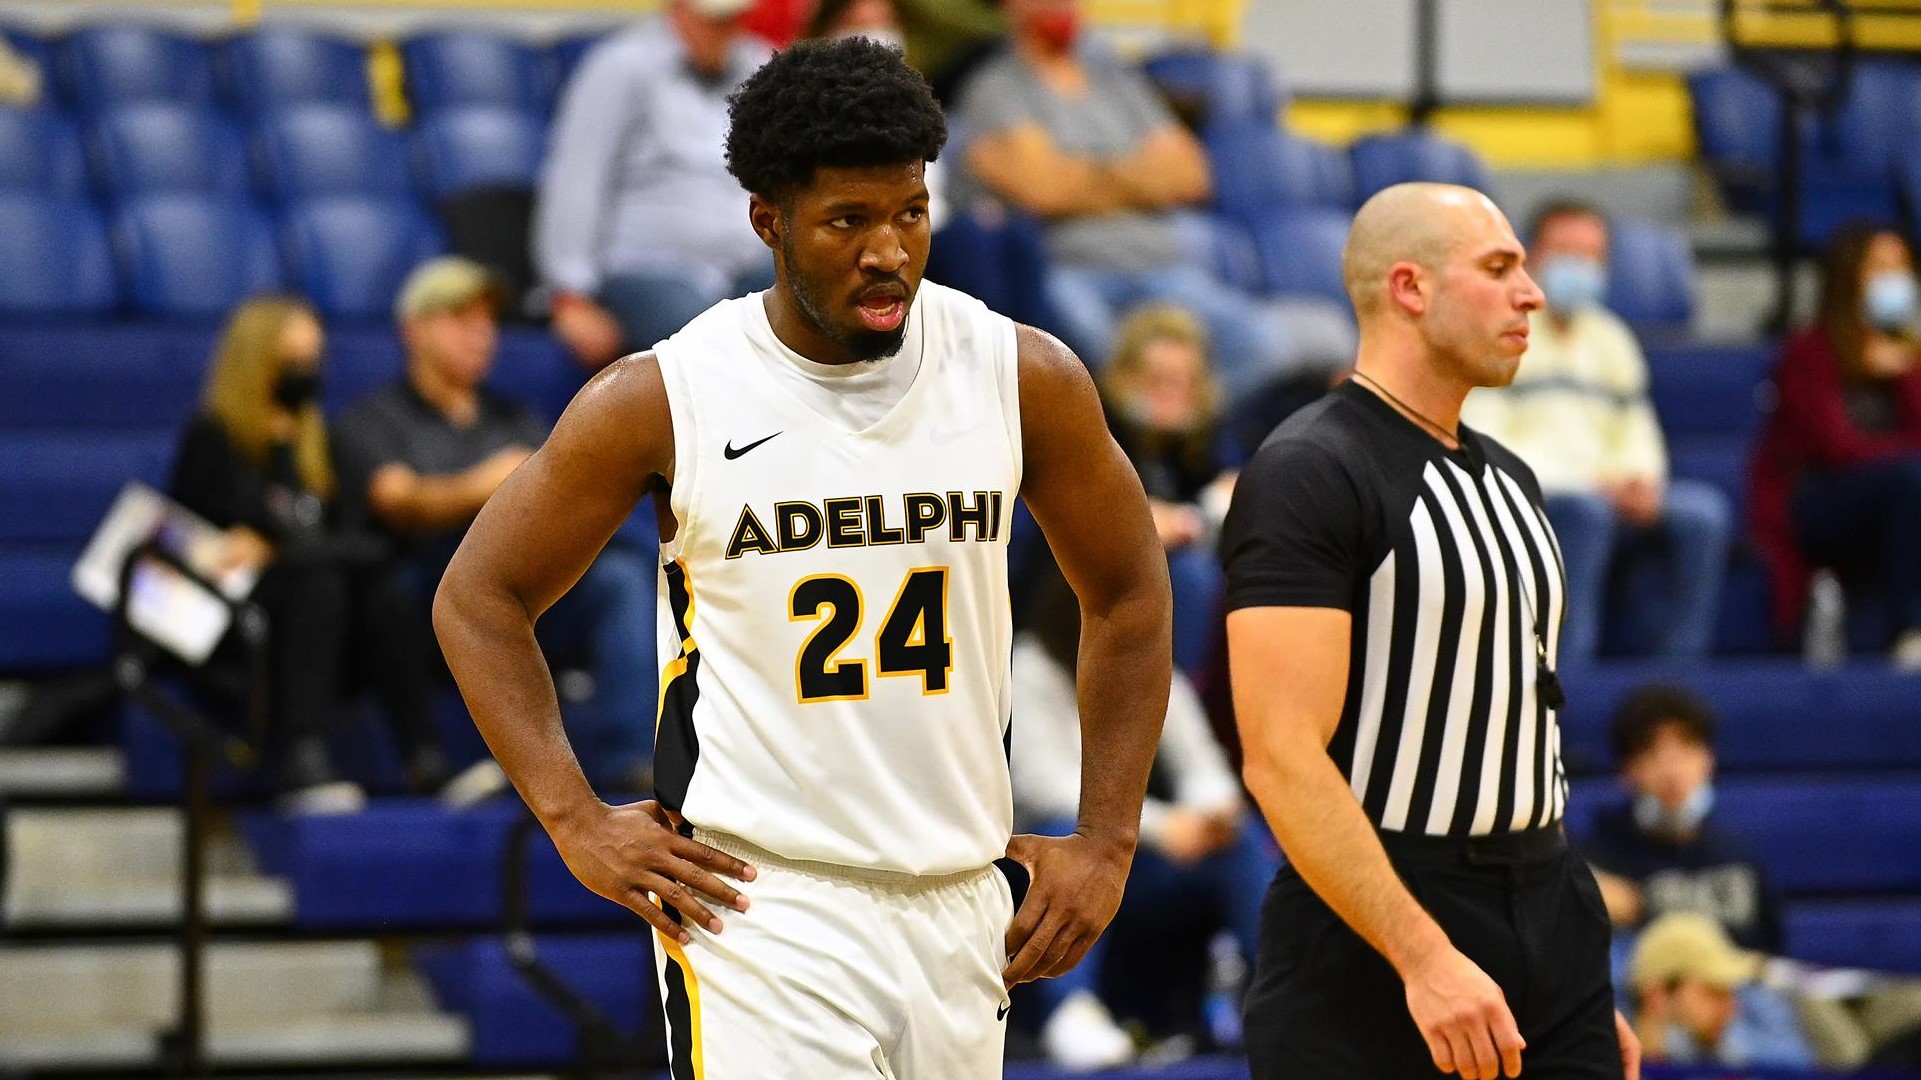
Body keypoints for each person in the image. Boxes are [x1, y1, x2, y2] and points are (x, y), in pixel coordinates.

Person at [433, 38, 1172, 1079]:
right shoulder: (664, 395)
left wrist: (1106, 840)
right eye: (847, 222)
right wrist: (573, 817)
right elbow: (478, 597)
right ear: (768, 222)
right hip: (762, 903)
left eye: (909, 213)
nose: (889, 252)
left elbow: (1131, 593)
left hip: (963, 897)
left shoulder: (1023, 374)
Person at [1222, 183, 1639, 1080]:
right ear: (1409, 288)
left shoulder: (1511, 480)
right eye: (1500, 268)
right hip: (1376, 926)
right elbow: (1281, 756)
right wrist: (1422, 955)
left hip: (1548, 902)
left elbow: (1520, 725)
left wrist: (1577, 978)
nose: (1531, 293)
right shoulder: (1309, 469)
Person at [331, 258, 656, 793]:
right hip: (426, 598)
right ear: (414, 330)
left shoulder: (513, 416)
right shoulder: (375, 417)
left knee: (620, 574)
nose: (481, 334)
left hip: (528, 591)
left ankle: (631, 759)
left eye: (486, 321)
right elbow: (396, 498)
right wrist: (488, 483)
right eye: (460, 319)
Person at [953, 0, 1341, 401]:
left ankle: (1176, 426)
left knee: (1261, 345)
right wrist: (1142, 178)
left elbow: (1192, 174)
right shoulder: (993, 89)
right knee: (1092, 365)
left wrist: (1079, 177)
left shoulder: (1118, 82)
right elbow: (1042, 189)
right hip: (1073, 270)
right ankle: (1139, 438)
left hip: (1165, 267)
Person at [170, 296, 449, 811]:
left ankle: (425, 755)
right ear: (258, 363)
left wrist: (278, 550)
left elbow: (367, 543)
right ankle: (302, 756)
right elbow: (191, 545)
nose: (305, 373)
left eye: (312, 360)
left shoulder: (321, 442)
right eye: (292, 361)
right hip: (235, 627)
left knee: (381, 591)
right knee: (319, 579)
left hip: (320, 621)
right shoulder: (213, 438)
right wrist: (283, 553)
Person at [1011, 556, 1274, 1069]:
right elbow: (1047, 789)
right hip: (1045, 860)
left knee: (1238, 841)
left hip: (1138, 867)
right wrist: (1160, 827)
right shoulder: (1032, 666)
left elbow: (1202, 765)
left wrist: (1210, 814)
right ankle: (1071, 1011)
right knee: (1065, 833)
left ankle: (1280, 986)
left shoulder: (1148, 663)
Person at [1461, 201, 1730, 664]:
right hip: (1537, 495)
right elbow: (1486, 442)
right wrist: (1592, 485)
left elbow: (1636, 429)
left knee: (1704, 514)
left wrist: (1640, 480)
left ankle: (1679, 669)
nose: (1579, 266)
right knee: (1585, 514)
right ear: (1531, 258)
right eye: (1566, 251)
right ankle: (1571, 668)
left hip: (1609, 492)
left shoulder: (1612, 339)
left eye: (1591, 255)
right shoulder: (1496, 333)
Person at [537, 0, 773, 370]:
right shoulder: (620, 66)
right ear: (677, 9)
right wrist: (571, 296)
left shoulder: (756, 62)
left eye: (731, 19)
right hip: (647, 269)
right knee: (711, 341)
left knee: (819, 300)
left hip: (744, 263)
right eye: (713, 20)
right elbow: (579, 177)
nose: (723, 30)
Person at [1749, 223, 1921, 666]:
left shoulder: (1910, 355)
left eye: (1902, 267)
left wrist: (1905, 371)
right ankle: (1910, 631)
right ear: (1849, 276)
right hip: (1816, 502)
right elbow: (1836, 448)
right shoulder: (1810, 352)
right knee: (1909, 479)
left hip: (1897, 500)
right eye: (1881, 267)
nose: (1896, 279)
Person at [1578, 684, 1783, 952]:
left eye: (1687, 744)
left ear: (1709, 760)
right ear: (1626, 771)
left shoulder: (1739, 857)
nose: (1671, 767)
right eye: (1650, 749)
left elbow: (1766, 955)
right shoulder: (1593, 863)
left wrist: (1640, 907)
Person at [1099, 304, 1235, 676]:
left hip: (1180, 569)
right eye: (1157, 380)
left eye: (1185, 382)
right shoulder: (1102, 431)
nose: (1172, 394)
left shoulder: (1201, 438)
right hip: (1109, 588)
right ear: (1125, 377)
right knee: (1192, 576)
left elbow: (1225, 488)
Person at [1628, 913, 1814, 1069]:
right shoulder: (1607, 1069)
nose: (1732, 1008)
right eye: (1714, 992)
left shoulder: (1727, 1062)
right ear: (1658, 995)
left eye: (1730, 993)